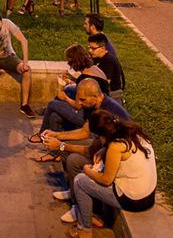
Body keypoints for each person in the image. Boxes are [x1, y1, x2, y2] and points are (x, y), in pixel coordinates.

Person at [40, 79, 132, 224]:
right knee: (67, 148)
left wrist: (60, 145)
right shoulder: (95, 105)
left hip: (115, 158)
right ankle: (74, 190)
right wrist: (57, 135)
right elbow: (84, 132)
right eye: (78, 99)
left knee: (73, 160)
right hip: (102, 149)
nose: (79, 104)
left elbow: (90, 151)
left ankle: (84, 208)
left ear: (95, 96)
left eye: (82, 100)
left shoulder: (107, 111)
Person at [67, 110, 157, 237]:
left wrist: (87, 170)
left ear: (103, 135)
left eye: (98, 137)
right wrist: (104, 150)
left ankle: (84, 230)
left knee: (80, 180)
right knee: (93, 172)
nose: (98, 140)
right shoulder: (132, 131)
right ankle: (95, 215)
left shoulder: (116, 146)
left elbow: (106, 180)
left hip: (133, 200)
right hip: (149, 197)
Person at [89, 33, 125, 102]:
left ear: (102, 48)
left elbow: (104, 83)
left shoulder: (108, 60)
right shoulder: (96, 57)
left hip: (111, 95)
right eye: (89, 47)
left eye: (93, 48)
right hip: (103, 92)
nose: (90, 50)